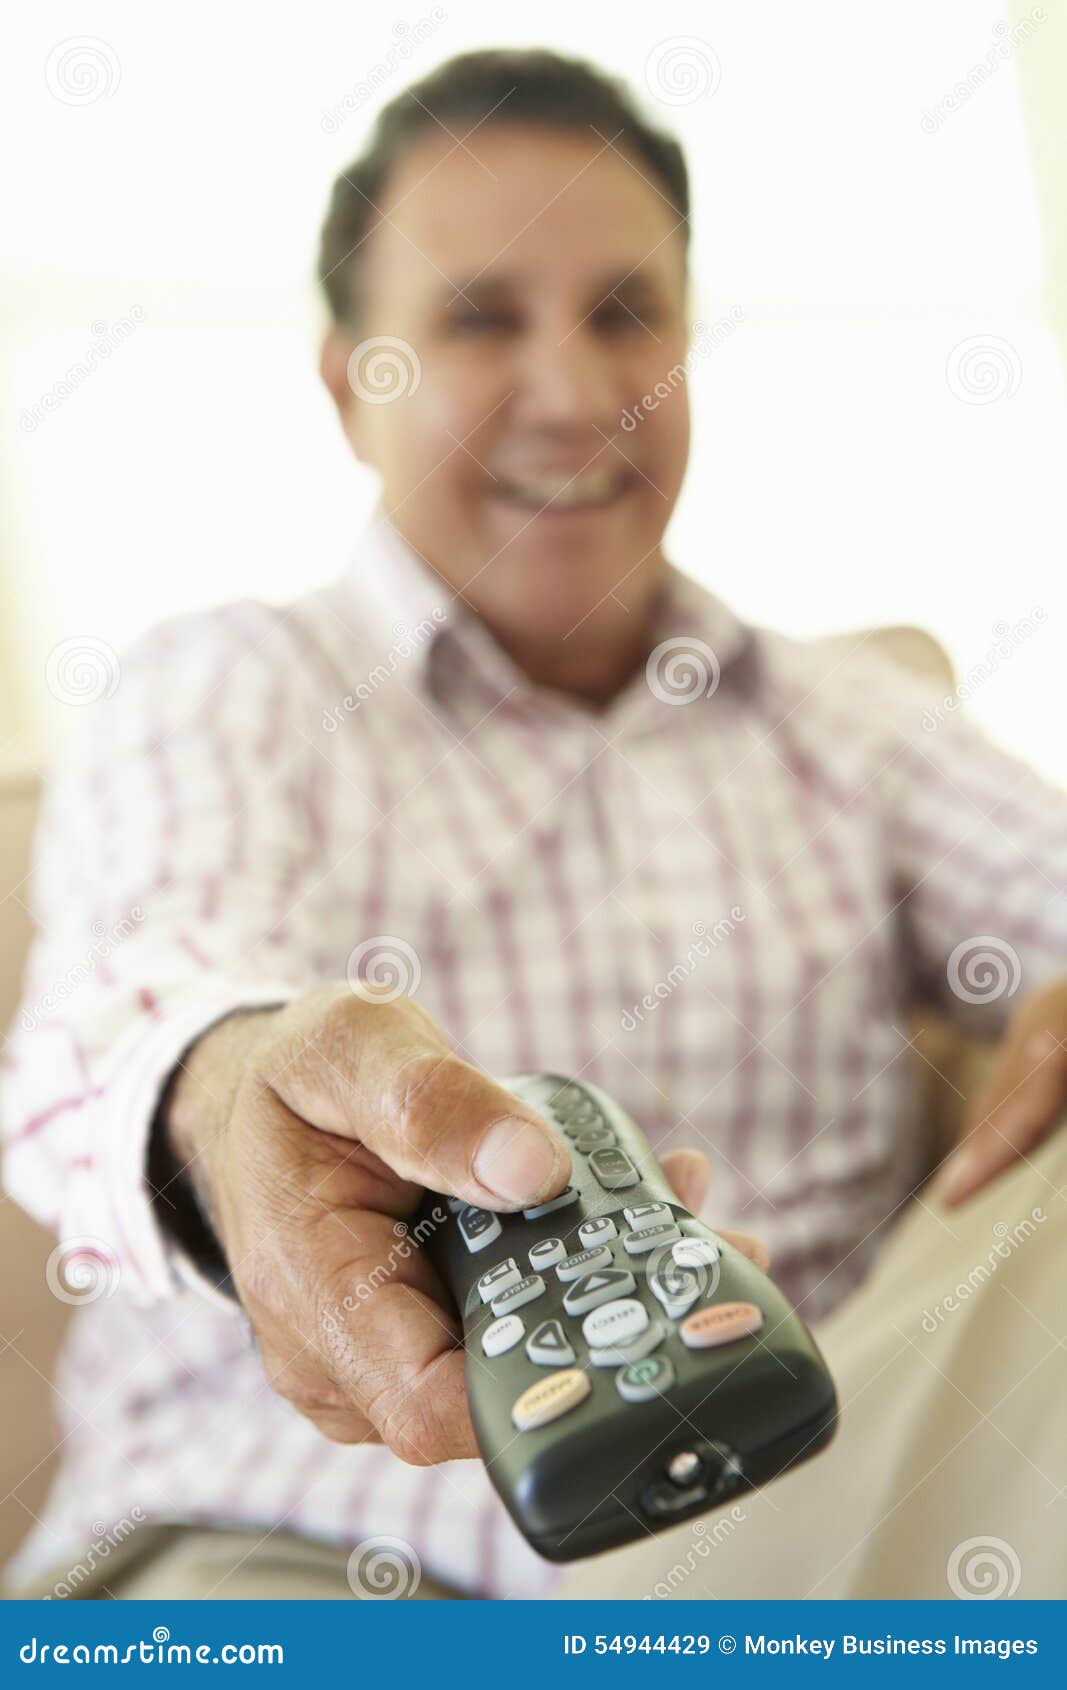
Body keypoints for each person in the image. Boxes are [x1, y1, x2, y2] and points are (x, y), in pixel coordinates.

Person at [3, 47, 1066, 1603]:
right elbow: (122, 1007)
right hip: (288, 1542)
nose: (576, 395)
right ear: (346, 382)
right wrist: (235, 1103)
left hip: (806, 1510)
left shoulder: (848, 721)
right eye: (480, 319)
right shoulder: (226, 685)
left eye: (626, 313)